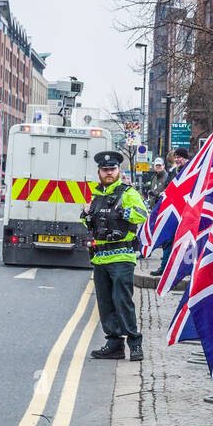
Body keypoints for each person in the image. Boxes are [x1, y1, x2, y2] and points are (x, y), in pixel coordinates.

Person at [83, 150, 148, 361]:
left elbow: (143, 214)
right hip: (100, 258)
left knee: (122, 302)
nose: (108, 172)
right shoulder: (97, 196)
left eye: (112, 169)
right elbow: (92, 224)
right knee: (105, 303)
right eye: (105, 170)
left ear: (119, 170)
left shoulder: (127, 193)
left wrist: (122, 212)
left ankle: (135, 343)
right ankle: (114, 344)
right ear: (99, 172)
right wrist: (85, 215)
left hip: (121, 257)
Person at [150, 145, 190, 278]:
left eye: (180, 157)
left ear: (185, 158)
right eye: (176, 157)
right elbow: (168, 187)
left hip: (187, 212)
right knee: (168, 239)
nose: (178, 159)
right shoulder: (173, 172)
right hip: (172, 210)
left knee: (186, 241)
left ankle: (186, 269)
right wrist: (164, 193)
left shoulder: (192, 170)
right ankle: (165, 267)